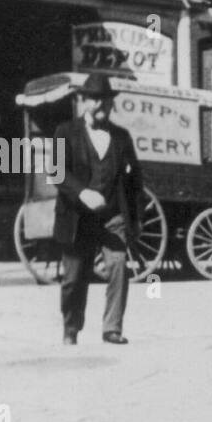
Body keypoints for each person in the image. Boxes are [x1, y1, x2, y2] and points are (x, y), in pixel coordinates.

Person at [52, 74, 142, 345]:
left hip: (112, 217)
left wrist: (135, 223)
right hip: (77, 217)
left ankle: (111, 328)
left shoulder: (121, 137)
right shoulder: (65, 132)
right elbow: (57, 172)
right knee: (73, 279)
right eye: (94, 100)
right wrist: (82, 192)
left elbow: (135, 181)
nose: (100, 106)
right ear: (83, 102)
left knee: (118, 266)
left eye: (105, 101)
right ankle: (71, 327)